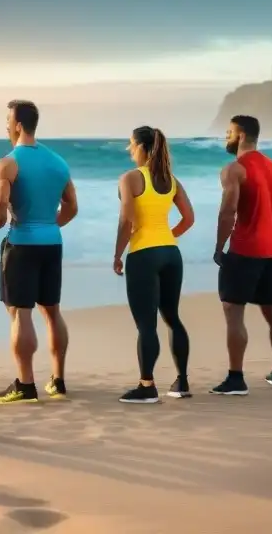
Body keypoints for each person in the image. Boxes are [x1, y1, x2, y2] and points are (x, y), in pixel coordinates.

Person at [0, 100, 77, 404]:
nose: (5, 126)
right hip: (52, 243)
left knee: (20, 312)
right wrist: (49, 226)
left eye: (7, 120)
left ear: (17, 125)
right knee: (52, 310)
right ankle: (58, 380)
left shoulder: (6, 164)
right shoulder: (58, 162)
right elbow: (71, 207)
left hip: (22, 243)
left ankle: (25, 384)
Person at [211, 115, 272, 395]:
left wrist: (219, 246)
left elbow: (228, 211)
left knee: (234, 312)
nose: (226, 137)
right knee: (271, 311)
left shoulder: (235, 169)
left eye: (229, 133)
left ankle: (236, 378)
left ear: (242, 135)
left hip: (245, 249)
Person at [113, 126, 195, 404]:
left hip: (143, 255)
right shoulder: (171, 180)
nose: (129, 150)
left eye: (131, 145)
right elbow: (189, 218)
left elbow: (125, 221)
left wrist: (116, 255)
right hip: (171, 253)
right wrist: (167, 237)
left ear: (142, 147)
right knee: (172, 317)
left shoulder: (131, 179)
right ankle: (182, 382)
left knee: (146, 324)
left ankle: (147, 386)